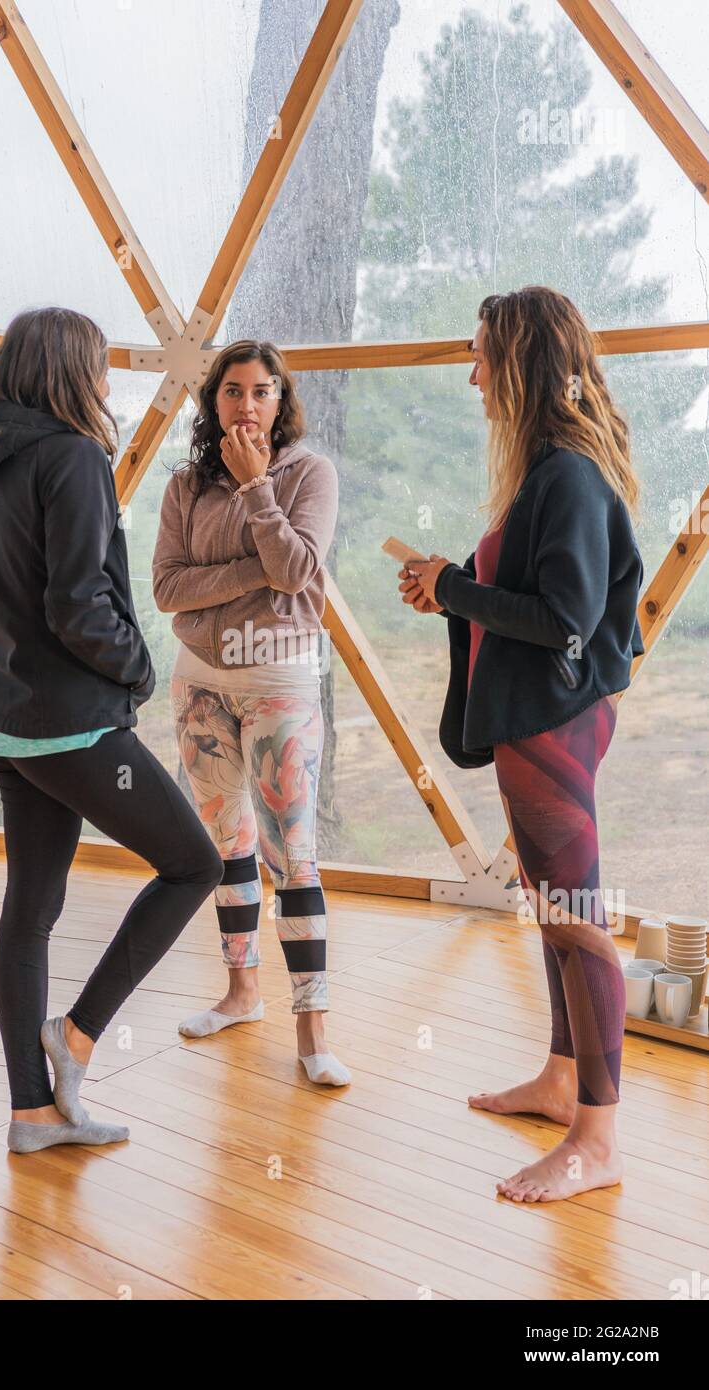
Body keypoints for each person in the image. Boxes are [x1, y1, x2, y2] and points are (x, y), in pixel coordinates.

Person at [397, 286, 644, 1202]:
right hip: (538, 722)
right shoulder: (548, 469)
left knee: (579, 920)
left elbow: (566, 620)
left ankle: (599, 1138)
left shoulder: (568, 474)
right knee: (555, 913)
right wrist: (452, 587)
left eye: (481, 355)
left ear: (520, 362)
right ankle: (560, 1078)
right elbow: (541, 602)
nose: (471, 375)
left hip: (554, 724)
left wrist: (457, 593)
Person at [0, 306, 223, 1154]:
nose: (110, 382)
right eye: (102, 365)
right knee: (193, 864)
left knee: (30, 911)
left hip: (7, 725)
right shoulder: (73, 456)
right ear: (72, 371)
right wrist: (137, 672)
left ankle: (33, 1115)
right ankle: (73, 1038)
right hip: (72, 730)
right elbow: (79, 604)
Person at [152, 339, 350, 1086]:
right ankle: (241, 992)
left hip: (280, 685)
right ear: (214, 402)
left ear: (280, 399)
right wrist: (254, 572)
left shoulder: (310, 475)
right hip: (198, 685)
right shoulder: (183, 485)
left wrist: (258, 488)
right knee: (226, 848)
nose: (246, 404)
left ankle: (313, 1030)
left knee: (292, 856)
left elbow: (299, 569)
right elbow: (169, 588)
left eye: (261, 391)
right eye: (232, 391)